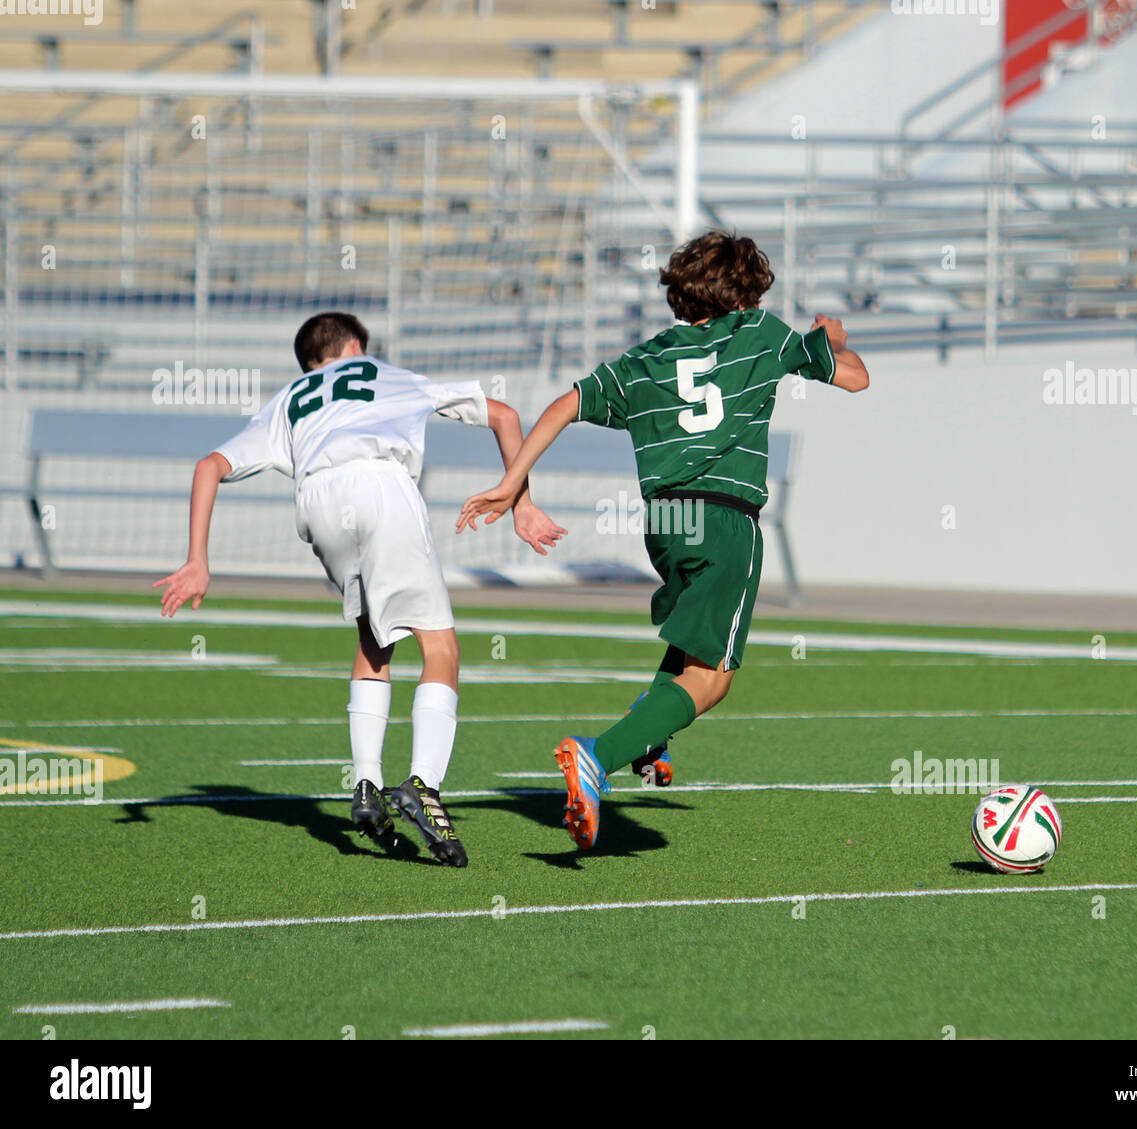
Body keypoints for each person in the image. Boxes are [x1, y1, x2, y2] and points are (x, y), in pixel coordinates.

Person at [457, 231, 868, 849]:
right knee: (713, 679)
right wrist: (834, 337)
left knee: (691, 645)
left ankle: (649, 736)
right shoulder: (761, 334)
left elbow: (562, 407)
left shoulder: (643, 359)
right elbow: (857, 380)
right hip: (726, 519)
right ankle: (598, 756)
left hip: (666, 525)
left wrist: (513, 483)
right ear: (749, 291)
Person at [154, 311, 565, 866]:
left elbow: (209, 465)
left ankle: (368, 784)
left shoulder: (287, 399)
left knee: (375, 640)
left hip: (318, 503)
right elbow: (506, 415)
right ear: (354, 347)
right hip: (379, 486)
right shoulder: (382, 372)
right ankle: (424, 784)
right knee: (440, 647)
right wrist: (523, 504)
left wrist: (197, 560)